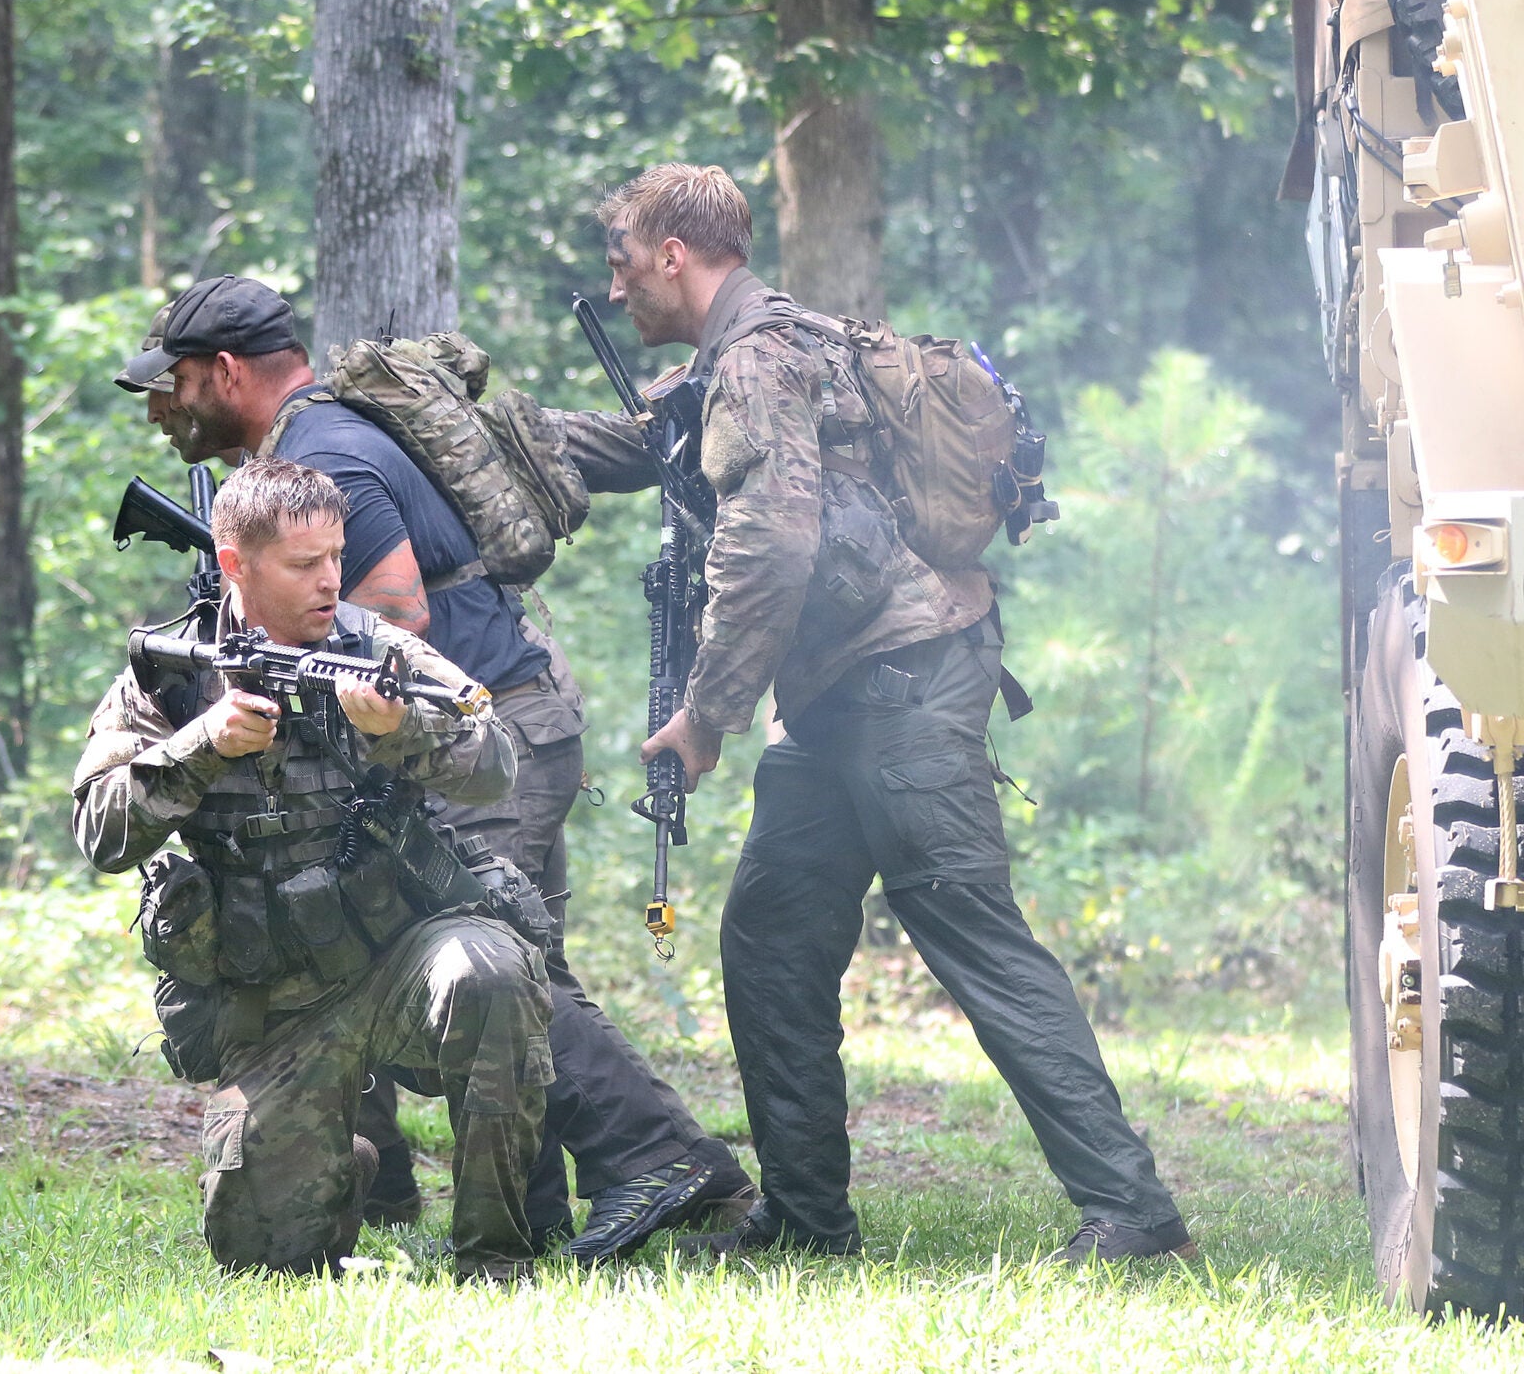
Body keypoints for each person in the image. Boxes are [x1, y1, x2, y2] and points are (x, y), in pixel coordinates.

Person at [570, 160, 1195, 1265]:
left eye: (621, 261)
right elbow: (643, 450)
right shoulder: (758, 352)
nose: (615, 289)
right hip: (836, 702)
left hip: (904, 683)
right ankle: (808, 1221)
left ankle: (1135, 1213)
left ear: (674, 252)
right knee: (767, 937)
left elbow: (772, 542)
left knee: (971, 933)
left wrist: (705, 713)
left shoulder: (759, 356)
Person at [113, 276, 752, 1264]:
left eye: (180, 381)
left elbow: (391, 621)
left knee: (498, 956)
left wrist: (318, 713)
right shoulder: (318, 440)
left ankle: (666, 1163)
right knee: (500, 959)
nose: (168, 405)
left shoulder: (323, 453)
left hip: (482, 730)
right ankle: (535, 1209)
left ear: (227, 371)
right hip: (506, 712)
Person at [71, 458, 551, 1281]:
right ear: (236, 565)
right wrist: (202, 746)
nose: (330, 580)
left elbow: (497, 762)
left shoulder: (377, 647)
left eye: (336, 555)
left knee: (493, 970)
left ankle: (495, 1258)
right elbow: (99, 832)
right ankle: (341, 1159)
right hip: (275, 997)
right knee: (263, 1260)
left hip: (400, 957)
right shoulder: (172, 673)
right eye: (303, 564)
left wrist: (400, 732)